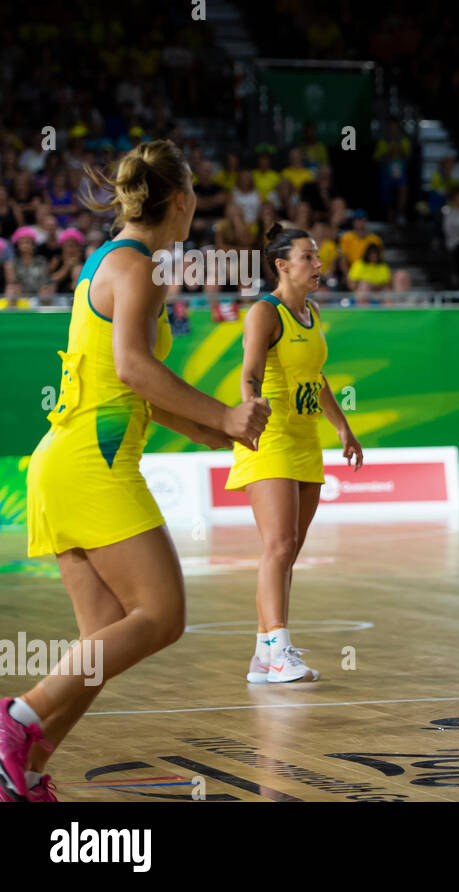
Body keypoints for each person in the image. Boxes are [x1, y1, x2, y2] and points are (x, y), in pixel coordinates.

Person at [0, 140, 269, 802]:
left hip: (62, 461)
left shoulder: (109, 260)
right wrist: (227, 416)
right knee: (162, 613)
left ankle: (24, 774)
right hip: (92, 463)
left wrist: (211, 430)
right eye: (195, 200)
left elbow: (132, 389)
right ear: (180, 201)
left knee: (98, 647)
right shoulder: (141, 267)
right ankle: (16, 720)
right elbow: (134, 369)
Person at [226, 222, 363, 684]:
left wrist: (342, 427)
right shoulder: (264, 313)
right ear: (281, 265)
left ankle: (264, 655)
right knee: (279, 546)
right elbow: (249, 372)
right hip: (270, 437)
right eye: (308, 257)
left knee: (289, 550)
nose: (319, 264)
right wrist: (249, 409)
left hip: (305, 439)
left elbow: (316, 377)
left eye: (318, 256)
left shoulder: (313, 312)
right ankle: (279, 649)